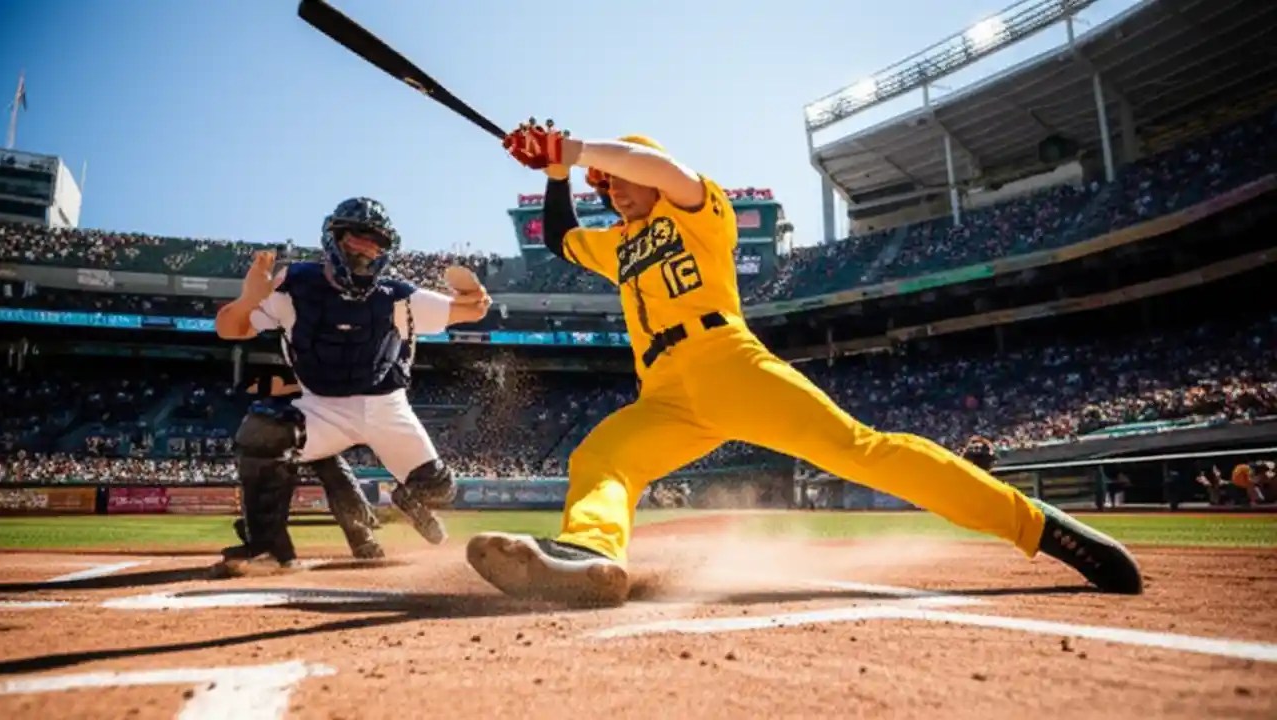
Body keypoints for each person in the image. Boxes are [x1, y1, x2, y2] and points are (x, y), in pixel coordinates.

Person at [465, 119, 1143, 605]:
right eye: (603, 184)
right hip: (666, 394)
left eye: (617, 177)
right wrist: (558, 170)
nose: (610, 188)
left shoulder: (699, 211)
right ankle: (591, 557)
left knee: (863, 452)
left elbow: (665, 173)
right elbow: (559, 235)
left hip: (726, 361)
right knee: (600, 457)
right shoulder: (617, 246)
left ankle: (1041, 528)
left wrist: (577, 146)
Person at [214, 197, 491, 574]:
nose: (366, 248)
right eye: (357, 238)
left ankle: (408, 498)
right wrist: (249, 299)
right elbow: (230, 329)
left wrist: (473, 290)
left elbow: (475, 310)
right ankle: (267, 549)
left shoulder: (400, 298)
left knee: (440, 489)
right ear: (334, 238)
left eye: (374, 242)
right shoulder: (293, 286)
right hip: (321, 409)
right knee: (264, 431)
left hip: (386, 408)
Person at [229, 366, 385, 560]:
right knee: (265, 459)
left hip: (311, 424)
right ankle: (265, 542)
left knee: (336, 473)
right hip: (273, 425)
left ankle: (362, 536)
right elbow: (245, 390)